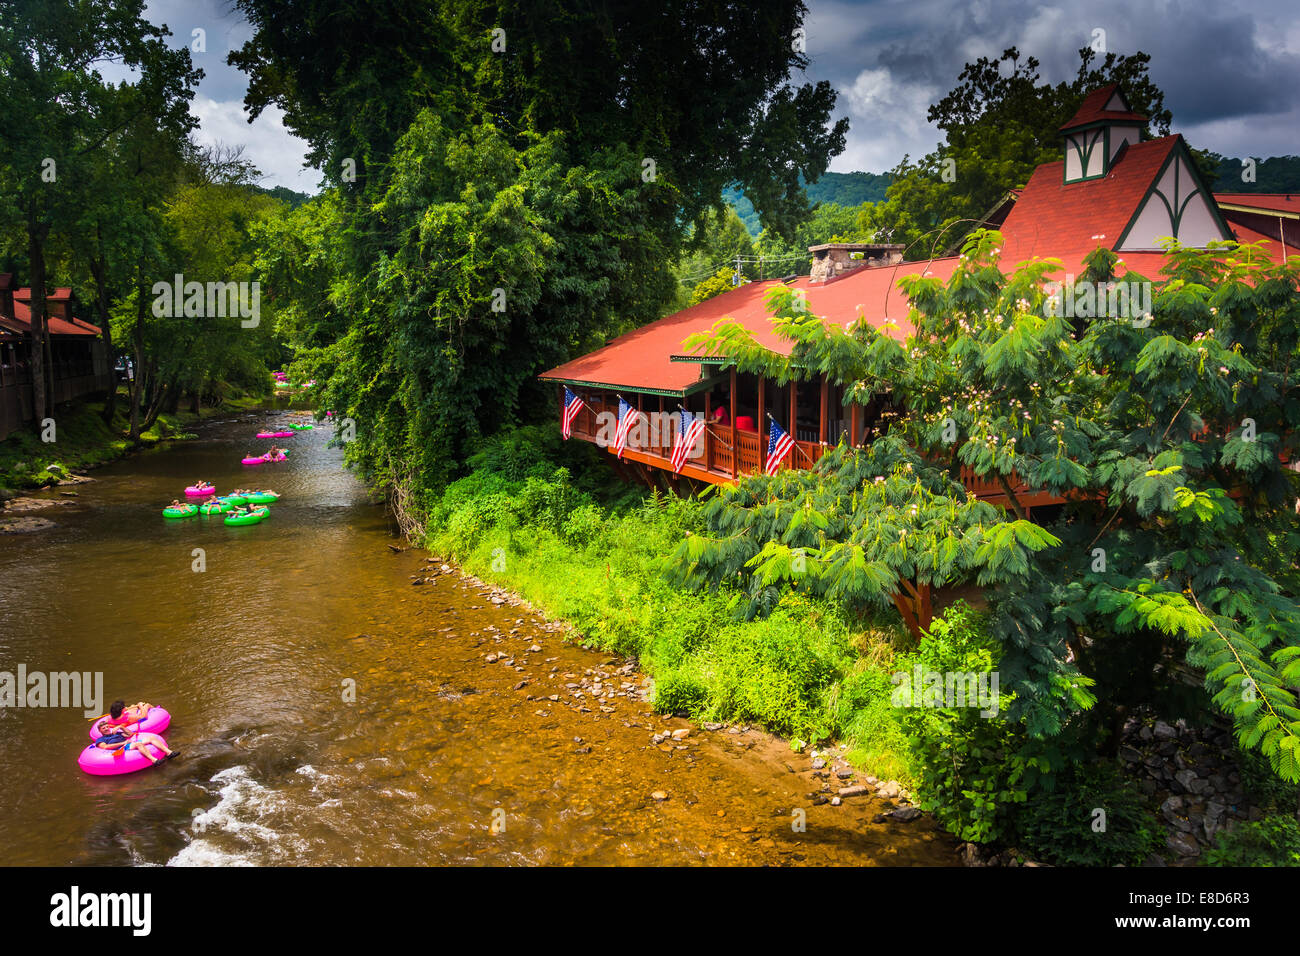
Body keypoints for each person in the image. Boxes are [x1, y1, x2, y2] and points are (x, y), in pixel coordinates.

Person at [92, 729, 177, 765]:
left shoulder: (116, 733)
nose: (106, 729)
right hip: (122, 747)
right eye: (104, 728)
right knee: (138, 744)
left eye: (107, 727)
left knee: (151, 738)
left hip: (128, 743)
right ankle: (154, 760)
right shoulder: (100, 739)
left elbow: (130, 734)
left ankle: (169, 753)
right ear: (100, 731)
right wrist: (123, 742)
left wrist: (121, 727)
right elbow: (105, 747)